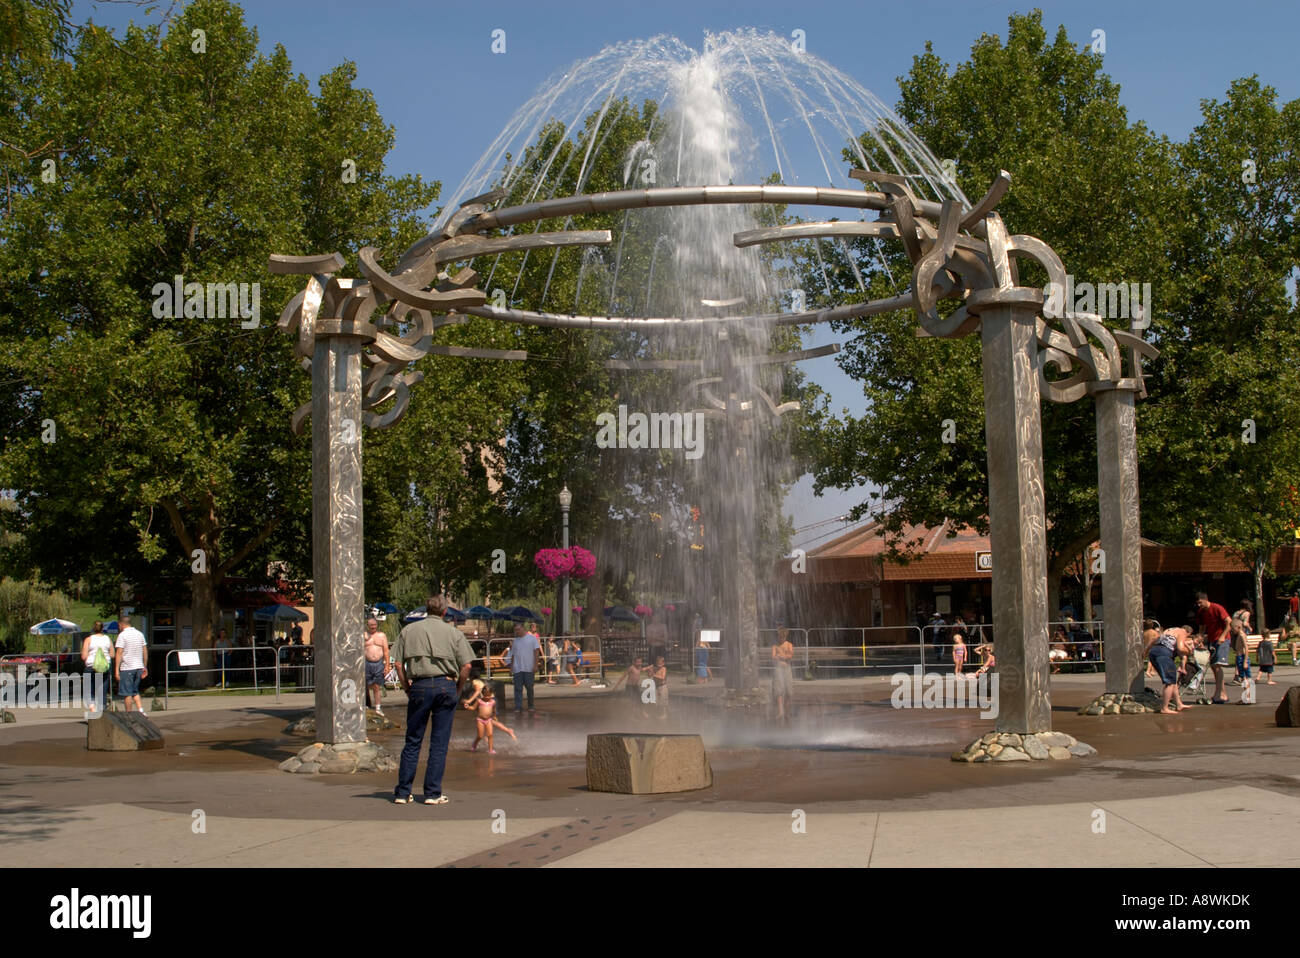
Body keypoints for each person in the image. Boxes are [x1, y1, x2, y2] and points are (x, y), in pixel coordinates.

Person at [392, 595, 474, 805]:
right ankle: (432, 793)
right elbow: (466, 666)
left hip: (418, 685)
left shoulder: (408, 630)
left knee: (413, 740)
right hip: (445, 685)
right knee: (439, 742)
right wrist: (457, 688)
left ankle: (403, 792)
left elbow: (398, 665)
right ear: (445, 612)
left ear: (425, 610)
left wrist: (406, 687)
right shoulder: (453, 633)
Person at [1145, 626, 1193, 713]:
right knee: (1170, 682)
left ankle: (1179, 704)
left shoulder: (1169, 630)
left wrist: (1145, 652)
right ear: (1188, 632)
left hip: (1154, 652)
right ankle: (1165, 708)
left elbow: (1154, 640)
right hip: (1164, 653)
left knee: (1172, 681)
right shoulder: (1182, 632)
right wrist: (1189, 651)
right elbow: (1181, 648)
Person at [1195, 593, 1232, 704]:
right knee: (1213, 666)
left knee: (1217, 665)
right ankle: (1223, 694)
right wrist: (1200, 638)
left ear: (1206, 600)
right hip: (1212, 639)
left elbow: (1229, 623)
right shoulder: (1201, 612)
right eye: (1197, 603)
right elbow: (1202, 627)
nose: (1198, 605)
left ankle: (1218, 693)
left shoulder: (1217, 608)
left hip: (1222, 639)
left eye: (1200, 602)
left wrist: (1222, 636)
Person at [463, 680, 516, 753]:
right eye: (485, 695)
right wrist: (468, 707)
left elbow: (493, 710)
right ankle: (474, 744)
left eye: (489, 695)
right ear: (482, 694)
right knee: (480, 736)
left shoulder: (493, 702)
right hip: (480, 720)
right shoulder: (479, 701)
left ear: (491, 694)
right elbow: (473, 708)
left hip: (489, 720)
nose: (487, 697)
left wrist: (494, 716)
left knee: (490, 735)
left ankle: (490, 749)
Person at [505, 623, 542, 712]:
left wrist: (535, 665)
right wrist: (511, 668)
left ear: (523, 628)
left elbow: (536, 652)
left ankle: (531, 705)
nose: (517, 632)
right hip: (518, 668)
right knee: (517, 688)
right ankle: (518, 706)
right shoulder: (515, 641)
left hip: (529, 668)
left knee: (529, 687)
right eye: (515, 630)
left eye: (518, 630)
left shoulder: (532, 638)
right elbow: (513, 655)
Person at [114, 617, 148, 713]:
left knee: (127, 693)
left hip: (127, 667)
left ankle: (129, 714)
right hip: (139, 667)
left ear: (121, 624)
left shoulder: (122, 635)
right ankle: (141, 710)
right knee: (135, 691)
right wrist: (145, 666)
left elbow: (119, 653)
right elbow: (144, 650)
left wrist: (116, 670)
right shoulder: (139, 634)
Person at [81, 621, 113, 714]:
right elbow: (112, 654)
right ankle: (102, 709)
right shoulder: (107, 639)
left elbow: (83, 656)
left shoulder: (88, 639)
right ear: (102, 628)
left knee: (89, 688)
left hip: (91, 666)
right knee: (103, 688)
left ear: (93, 628)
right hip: (104, 667)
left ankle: (92, 707)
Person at [363, 617, 390, 714]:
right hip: (367, 662)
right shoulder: (364, 635)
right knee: (365, 685)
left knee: (377, 686)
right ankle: (366, 704)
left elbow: (386, 651)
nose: (373, 627)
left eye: (375, 625)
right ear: (368, 626)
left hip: (378, 663)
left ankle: (378, 707)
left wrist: (387, 666)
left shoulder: (382, 636)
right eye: (371, 626)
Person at [771, 627, 795, 720]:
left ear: (785, 636)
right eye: (780, 637)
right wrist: (783, 657)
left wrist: (781, 656)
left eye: (783, 637)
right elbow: (773, 657)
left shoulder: (789, 645)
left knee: (789, 691)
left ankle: (787, 711)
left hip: (787, 669)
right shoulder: (775, 646)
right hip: (778, 669)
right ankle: (781, 712)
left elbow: (790, 656)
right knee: (779, 691)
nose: (781, 638)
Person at [1229, 599, 1253, 685]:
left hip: (1235, 635)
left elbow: (1233, 622)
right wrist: (1250, 628)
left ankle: (1237, 675)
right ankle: (1243, 677)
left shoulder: (1236, 613)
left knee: (1238, 654)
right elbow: (1245, 624)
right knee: (1242, 651)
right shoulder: (1246, 613)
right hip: (1242, 631)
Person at [647, 654, 668, 719]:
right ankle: (654, 713)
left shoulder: (664, 669)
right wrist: (649, 671)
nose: (659, 666)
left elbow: (662, 677)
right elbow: (650, 675)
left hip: (662, 686)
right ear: (656, 663)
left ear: (663, 663)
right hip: (655, 686)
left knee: (663, 700)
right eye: (658, 664)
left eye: (660, 665)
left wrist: (654, 675)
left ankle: (664, 714)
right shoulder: (654, 668)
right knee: (654, 701)